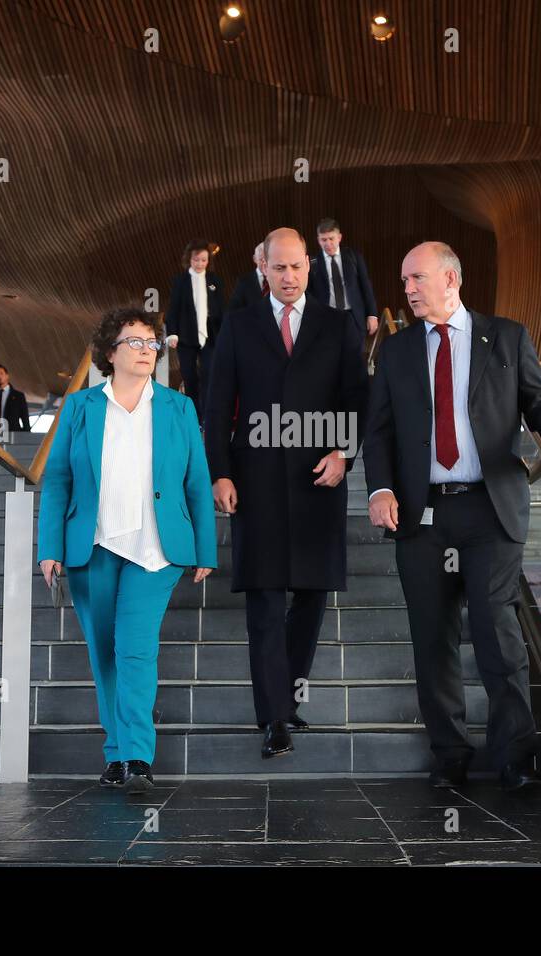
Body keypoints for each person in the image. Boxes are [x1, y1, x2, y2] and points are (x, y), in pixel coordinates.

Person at [363, 241, 541, 795]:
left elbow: (539, 398)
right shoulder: (397, 350)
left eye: (417, 278)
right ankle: (450, 753)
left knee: (497, 633)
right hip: (422, 515)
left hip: (490, 507)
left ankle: (514, 756)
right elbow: (380, 430)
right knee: (432, 638)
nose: (407, 289)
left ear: (451, 278)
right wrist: (381, 488)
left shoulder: (506, 336)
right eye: (404, 279)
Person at [37, 307, 217, 794]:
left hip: (155, 549)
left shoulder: (179, 408)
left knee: (135, 648)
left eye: (151, 342)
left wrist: (205, 549)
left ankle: (136, 753)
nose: (145, 350)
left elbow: (197, 482)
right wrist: (49, 546)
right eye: (134, 342)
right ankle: (116, 753)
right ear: (109, 353)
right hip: (91, 545)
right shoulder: (80, 407)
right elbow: (57, 480)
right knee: (104, 653)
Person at [204, 227, 367, 759]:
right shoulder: (239, 324)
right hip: (257, 482)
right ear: (264, 270)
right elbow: (217, 403)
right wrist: (220, 473)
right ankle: (274, 715)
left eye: (298, 267)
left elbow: (355, 398)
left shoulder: (338, 325)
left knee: (312, 597)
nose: (290, 277)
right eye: (280, 268)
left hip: (320, 479)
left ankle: (289, 694)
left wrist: (344, 453)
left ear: (310, 267)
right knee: (266, 601)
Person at [166, 239, 225, 423]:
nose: (200, 264)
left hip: (210, 336)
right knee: (190, 376)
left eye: (204, 260)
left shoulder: (214, 280)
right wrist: (172, 333)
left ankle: (208, 416)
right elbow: (173, 308)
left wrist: (225, 335)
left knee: (209, 375)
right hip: (186, 336)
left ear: (208, 261)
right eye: (196, 260)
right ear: (189, 260)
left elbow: (221, 309)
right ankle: (194, 417)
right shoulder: (180, 281)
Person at [307, 218, 379, 341]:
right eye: (324, 240)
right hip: (327, 316)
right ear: (318, 240)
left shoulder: (353, 256)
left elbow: (365, 285)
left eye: (331, 238)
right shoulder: (312, 263)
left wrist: (372, 314)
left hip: (353, 315)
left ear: (339, 237)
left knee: (355, 354)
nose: (328, 243)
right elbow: (309, 293)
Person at [227, 242, 269, 313]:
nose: (264, 263)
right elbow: (233, 308)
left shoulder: (279, 277)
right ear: (254, 259)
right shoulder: (244, 282)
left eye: (267, 259)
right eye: (261, 259)